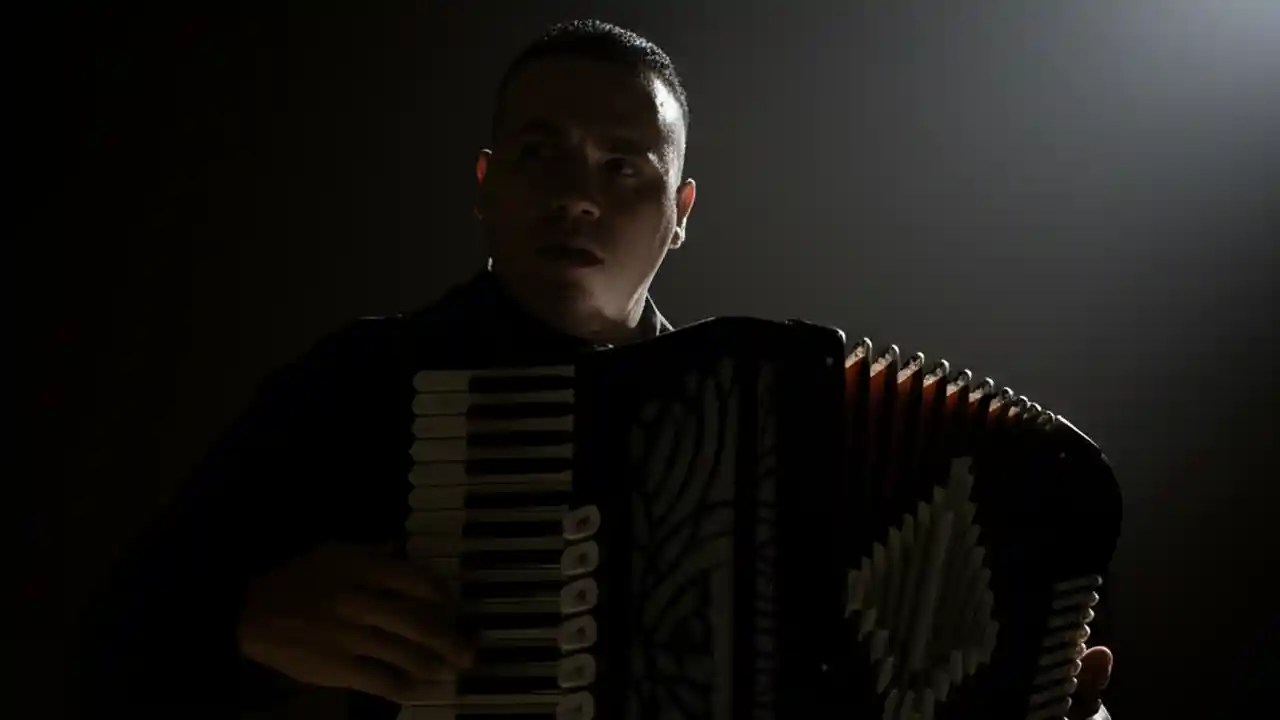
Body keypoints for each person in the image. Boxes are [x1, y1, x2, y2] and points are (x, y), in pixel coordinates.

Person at [74, 19, 1114, 719]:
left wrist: (1035, 703)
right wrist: (244, 623)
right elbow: (112, 647)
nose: (578, 195)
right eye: (541, 154)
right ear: (486, 185)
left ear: (680, 213)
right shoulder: (360, 385)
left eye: (624, 168)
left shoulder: (784, 428)